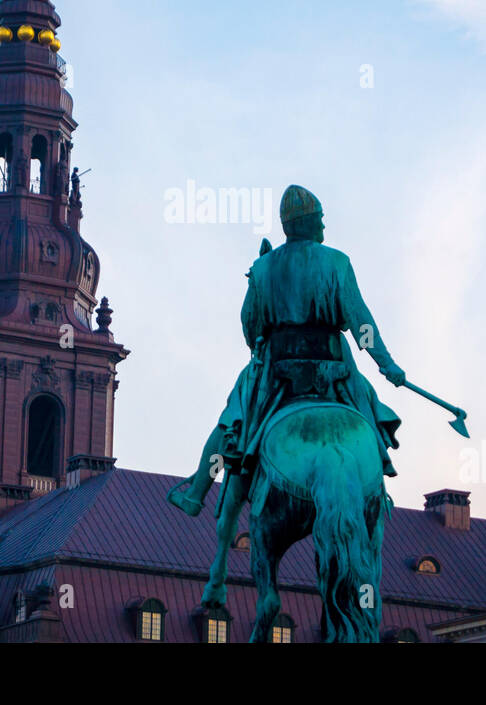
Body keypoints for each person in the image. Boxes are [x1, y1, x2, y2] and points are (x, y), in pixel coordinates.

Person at [167, 185, 405, 599]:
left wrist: (261, 289)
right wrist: (387, 364)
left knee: (232, 421)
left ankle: (196, 491)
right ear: (307, 223)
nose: (325, 223)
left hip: (278, 370)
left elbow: (250, 329)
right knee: (368, 411)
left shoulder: (264, 269)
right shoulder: (338, 263)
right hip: (335, 370)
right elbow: (361, 323)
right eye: (321, 217)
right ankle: (377, 479)